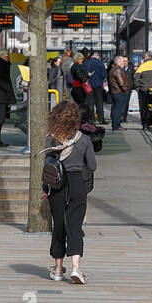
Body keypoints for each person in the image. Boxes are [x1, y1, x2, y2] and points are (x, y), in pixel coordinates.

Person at [43, 100, 96, 285]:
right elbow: (93, 165)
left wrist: (45, 190)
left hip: (58, 185)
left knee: (59, 226)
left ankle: (57, 270)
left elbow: (47, 167)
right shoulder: (84, 139)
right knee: (75, 226)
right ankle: (75, 268)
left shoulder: (51, 138)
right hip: (77, 183)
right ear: (75, 118)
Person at [107, 54, 132, 130]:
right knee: (118, 109)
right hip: (119, 92)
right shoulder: (117, 69)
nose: (123, 63)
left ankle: (116, 125)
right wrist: (126, 90)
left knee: (116, 109)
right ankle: (116, 125)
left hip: (115, 91)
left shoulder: (114, 69)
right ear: (118, 61)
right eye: (122, 61)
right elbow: (121, 82)